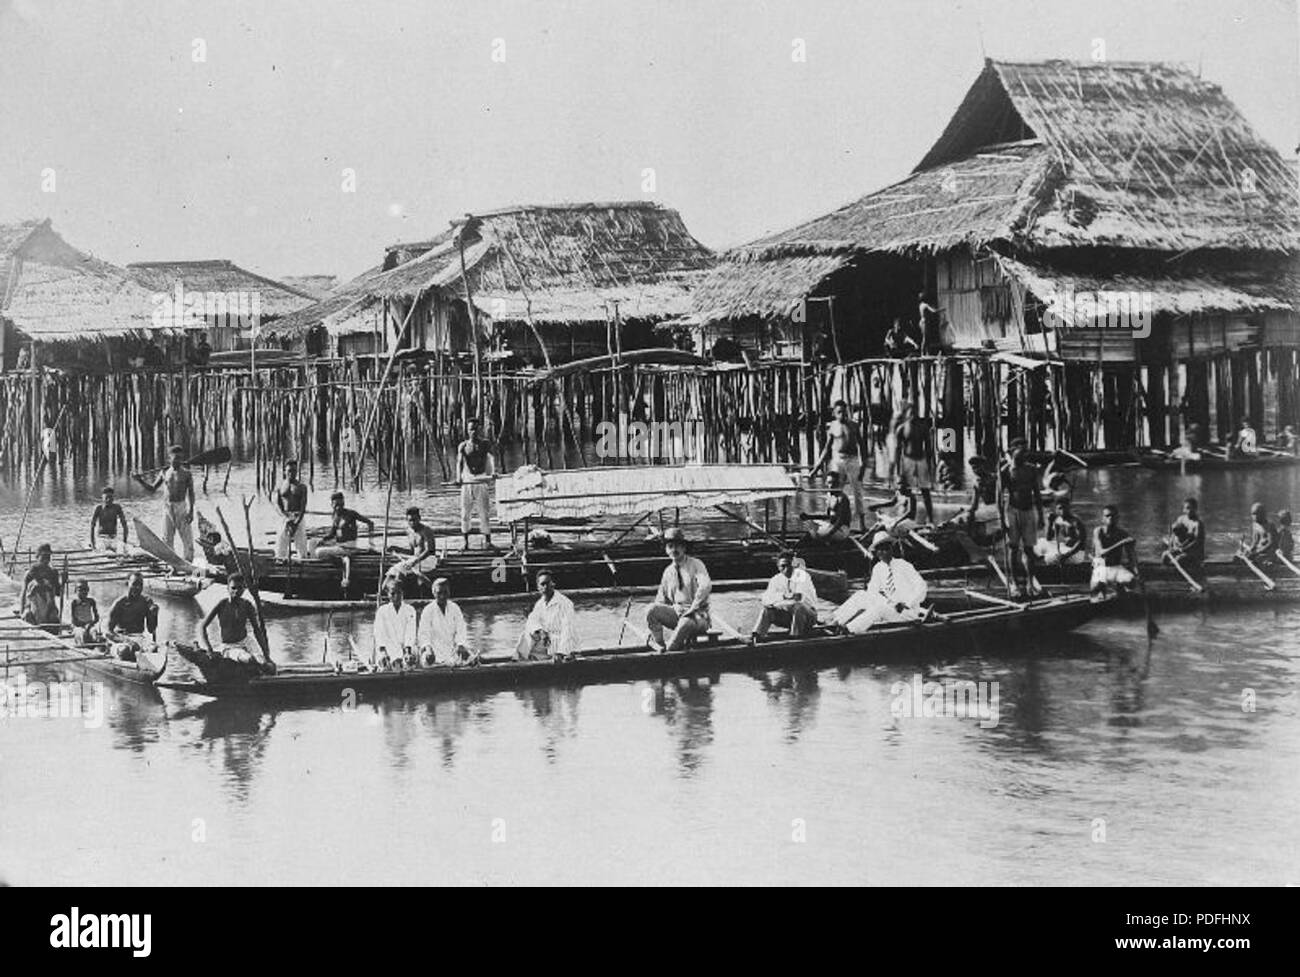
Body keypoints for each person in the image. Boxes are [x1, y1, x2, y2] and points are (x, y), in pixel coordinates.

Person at [831, 537, 928, 634]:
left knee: (879, 609)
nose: (883, 552)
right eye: (880, 550)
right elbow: (872, 591)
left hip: (908, 612)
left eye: (886, 549)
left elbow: (922, 587)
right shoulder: (878, 568)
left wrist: (907, 603)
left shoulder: (904, 565)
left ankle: (849, 630)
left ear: (891, 550)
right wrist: (888, 602)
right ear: (876, 552)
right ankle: (835, 622)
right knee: (861, 595)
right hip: (892, 607)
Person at [645, 527, 712, 652]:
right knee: (651, 610)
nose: (674, 550)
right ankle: (660, 645)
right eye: (670, 546)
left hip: (698, 616)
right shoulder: (668, 572)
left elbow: (705, 586)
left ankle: (670, 651)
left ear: (684, 548)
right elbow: (660, 601)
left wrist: (693, 608)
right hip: (677, 614)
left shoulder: (696, 564)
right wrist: (650, 626)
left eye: (678, 546)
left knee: (686, 622)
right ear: (666, 550)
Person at [811, 401, 867, 531]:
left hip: (852, 459)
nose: (842, 414)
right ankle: (831, 519)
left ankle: (862, 524)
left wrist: (863, 464)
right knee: (833, 489)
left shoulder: (854, 425)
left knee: (857, 491)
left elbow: (862, 446)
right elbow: (826, 448)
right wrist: (816, 468)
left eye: (844, 411)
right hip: (838, 459)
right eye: (839, 412)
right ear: (835, 414)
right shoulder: (833, 426)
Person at [1001, 439, 1044, 597]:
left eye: (1024, 454)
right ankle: (1014, 583)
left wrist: (1040, 515)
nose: (1022, 457)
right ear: (1012, 453)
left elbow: (1037, 493)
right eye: (1019, 453)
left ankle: (1030, 582)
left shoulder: (1031, 470)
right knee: (1013, 548)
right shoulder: (1005, 471)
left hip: (1028, 511)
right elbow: (999, 497)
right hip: (1012, 511)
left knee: (1029, 549)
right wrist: (1002, 520)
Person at [198, 574, 271, 669]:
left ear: (244, 589)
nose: (236, 591)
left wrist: (266, 655)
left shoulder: (247, 605)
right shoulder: (222, 604)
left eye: (240, 588)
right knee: (249, 659)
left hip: (247, 642)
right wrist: (209, 649)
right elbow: (202, 626)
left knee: (266, 665)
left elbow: (257, 630)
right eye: (233, 588)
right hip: (229, 646)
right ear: (227, 588)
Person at [751, 551, 818, 643]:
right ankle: (757, 636)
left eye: (789, 565)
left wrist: (778, 601)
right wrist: (784, 597)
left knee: (798, 607)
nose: (786, 569)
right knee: (766, 610)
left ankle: (795, 638)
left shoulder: (802, 576)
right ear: (778, 567)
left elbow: (798, 598)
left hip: (808, 617)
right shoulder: (776, 579)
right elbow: (765, 600)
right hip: (789, 617)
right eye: (783, 566)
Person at [314, 491, 374, 588]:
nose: (338, 507)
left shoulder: (351, 514)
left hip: (348, 547)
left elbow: (370, 523)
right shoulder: (335, 516)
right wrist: (322, 540)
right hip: (339, 545)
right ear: (332, 505)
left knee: (318, 553)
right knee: (313, 543)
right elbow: (332, 534)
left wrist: (371, 543)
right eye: (336, 505)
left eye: (340, 504)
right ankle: (338, 558)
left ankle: (340, 560)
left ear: (343, 503)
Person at [516, 570, 580, 661]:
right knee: (525, 635)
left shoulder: (565, 603)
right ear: (538, 587)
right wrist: (541, 631)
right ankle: (520, 662)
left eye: (548, 583)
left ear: (553, 584)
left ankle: (528, 661)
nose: (545, 587)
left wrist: (561, 652)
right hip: (548, 642)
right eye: (542, 584)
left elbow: (568, 630)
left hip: (562, 644)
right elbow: (532, 620)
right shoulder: (540, 603)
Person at [418, 578, 476, 666]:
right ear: (433, 593)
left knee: (472, 660)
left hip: (453, 651)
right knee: (427, 660)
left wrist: (460, 644)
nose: (442, 596)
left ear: (449, 592)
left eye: (445, 592)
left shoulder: (455, 608)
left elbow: (461, 630)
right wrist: (428, 648)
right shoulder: (428, 610)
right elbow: (423, 634)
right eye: (439, 593)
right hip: (433, 652)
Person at [457, 418, 496, 549]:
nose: (473, 431)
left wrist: (492, 474)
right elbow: (459, 463)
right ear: (467, 431)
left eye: (475, 429)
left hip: (481, 478)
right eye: (471, 429)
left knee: (484, 512)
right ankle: (465, 542)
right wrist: (458, 478)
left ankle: (488, 541)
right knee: (465, 512)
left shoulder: (485, 444)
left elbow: (491, 459)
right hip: (468, 480)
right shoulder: (463, 445)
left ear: (479, 429)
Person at [153, 445, 195, 561]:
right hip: (167, 507)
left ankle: (188, 561)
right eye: (175, 458)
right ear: (169, 459)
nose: (178, 461)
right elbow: (152, 489)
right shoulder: (164, 472)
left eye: (180, 458)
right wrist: (139, 480)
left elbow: (191, 493)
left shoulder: (187, 473)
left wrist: (191, 511)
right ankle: (171, 563)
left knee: (187, 538)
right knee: (167, 539)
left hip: (181, 506)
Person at [894, 405, 935, 524]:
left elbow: (928, 448)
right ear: (906, 414)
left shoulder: (923, 428)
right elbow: (898, 450)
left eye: (915, 413)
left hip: (921, 460)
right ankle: (908, 517)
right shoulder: (901, 428)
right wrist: (898, 469)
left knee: (925, 490)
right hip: (907, 460)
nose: (912, 416)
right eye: (910, 413)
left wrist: (930, 466)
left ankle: (930, 518)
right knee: (906, 490)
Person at [106, 572, 159, 661]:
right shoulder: (119, 603)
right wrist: (126, 641)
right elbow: (108, 632)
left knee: (154, 649)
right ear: (127, 584)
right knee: (126, 651)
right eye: (134, 584)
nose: (137, 588)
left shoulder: (146, 602)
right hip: (121, 639)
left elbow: (151, 629)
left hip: (139, 638)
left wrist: (154, 615)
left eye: (140, 585)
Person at [388, 506, 439, 592]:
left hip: (428, 560)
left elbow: (430, 550)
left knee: (400, 569)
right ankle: (389, 592)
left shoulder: (426, 530)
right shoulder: (409, 531)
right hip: (415, 560)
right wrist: (397, 549)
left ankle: (397, 593)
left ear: (419, 518)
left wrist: (414, 561)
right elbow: (412, 551)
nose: (413, 523)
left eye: (415, 520)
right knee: (392, 570)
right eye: (410, 521)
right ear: (407, 520)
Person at [1090, 505, 1136, 595]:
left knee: (1132, 581)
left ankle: (1119, 586)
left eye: (1113, 516)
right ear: (1102, 518)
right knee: (1094, 589)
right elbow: (1102, 553)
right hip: (1101, 568)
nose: (1110, 518)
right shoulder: (1098, 531)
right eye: (1107, 516)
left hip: (1116, 567)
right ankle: (1107, 585)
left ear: (1117, 518)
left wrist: (1137, 573)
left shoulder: (1123, 534)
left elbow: (1132, 557)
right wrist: (1122, 543)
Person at [373, 581, 418, 670]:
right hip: (387, 649)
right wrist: (383, 653)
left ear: (402, 593)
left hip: (405, 649)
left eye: (399, 593)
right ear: (388, 594)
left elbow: (410, 632)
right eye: (393, 593)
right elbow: (379, 634)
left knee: (410, 662)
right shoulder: (382, 611)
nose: (396, 596)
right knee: (385, 665)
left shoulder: (410, 610)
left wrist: (408, 652)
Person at [799, 475, 853, 543]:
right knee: (811, 525)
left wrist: (828, 534)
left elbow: (840, 521)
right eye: (829, 482)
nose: (831, 485)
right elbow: (827, 516)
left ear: (838, 484)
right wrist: (809, 516)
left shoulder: (842, 498)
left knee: (814, 533)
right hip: (831, 525)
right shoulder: (829, 495)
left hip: (841, 529)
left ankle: (797, 549)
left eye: (834, 483)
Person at [1035, 499, 1088, 566]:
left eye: (1064, 507)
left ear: (1069, 508)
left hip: (1076, 553)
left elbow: (1081, 542)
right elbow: (1049, 539)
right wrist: (1050, 522)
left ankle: (1043, 562)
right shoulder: (1058, 520)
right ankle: (1039, 559)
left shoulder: (1075, 522)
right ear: (1056, 509)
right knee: (1040, 541)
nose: (1062, 510)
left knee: (1049, 558)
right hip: (1064, 548)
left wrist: (1066, 555)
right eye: (1060, 508)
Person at [274, 460, 309, 560]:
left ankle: (303, 564)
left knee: (301, 545)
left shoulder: (302, 487)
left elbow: (303, 507)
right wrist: (286, 519)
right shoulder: (280, 486)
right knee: (280, 545)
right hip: (285, 516)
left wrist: (296, 522)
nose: (291, 473)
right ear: (285, 471)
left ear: (297, 471)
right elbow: (277, 505)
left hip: (298, 516)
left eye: (294, 471)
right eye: (289, 471)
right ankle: (280, 563)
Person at [19, 543, 63, 622]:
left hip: (49, 607)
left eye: (48, 557)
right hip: (32, 605)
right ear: (37, 557)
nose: (46, 560)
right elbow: (23, 592)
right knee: (27, 615)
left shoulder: (53, 573)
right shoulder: (30, 573)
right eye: (43, 557)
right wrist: (21, 611)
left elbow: (58, 593)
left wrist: (63, 581)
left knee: (54, 619)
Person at [1164, 497, 1206, 573]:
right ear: (1184, 509)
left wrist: (1182, 549)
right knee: (1164, 556)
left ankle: (1174, 571)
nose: (1189, 511)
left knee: (1179, 559)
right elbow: (1173, 534)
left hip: (1195, 555)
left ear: (1195, 509)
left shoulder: (1198, 524)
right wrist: (1171, 548)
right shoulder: (1181, 519)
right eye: (1187, 508)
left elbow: (1197, 542)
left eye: (1191, 508)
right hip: (1182, 551)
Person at [89, 486, 129, 553]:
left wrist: (124, 542)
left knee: (119, 552)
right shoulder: (98, 508)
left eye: (110, 498)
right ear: (102, 498)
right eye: (106, 498)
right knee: (105, 553)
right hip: (101, 538)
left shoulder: (117, 508)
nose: (108, 500)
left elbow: (124, 525)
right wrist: (93, 544)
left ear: (113, 498)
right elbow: (92, 526)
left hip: (113, 538)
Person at [68, 581, 100, 646]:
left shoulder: (91, 601)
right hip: (78, 626)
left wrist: (90, 624)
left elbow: (97, 617)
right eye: (80, 590)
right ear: (76, 591)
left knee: (94, 632)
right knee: (82, 633)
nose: (83, 592)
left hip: (89, 625)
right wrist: (83, 625)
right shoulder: (74, 603)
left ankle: (96, 646)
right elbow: (73, 620)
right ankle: (83, 647)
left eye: (85, 590)